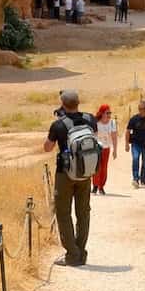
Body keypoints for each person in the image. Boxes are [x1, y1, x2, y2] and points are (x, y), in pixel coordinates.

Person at [42, 89, 98, 267]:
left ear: (63, 104)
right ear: (78, 102)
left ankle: (72, 254)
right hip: (85, 172)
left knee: (63, 213)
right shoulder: (90, 119)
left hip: (64, 174)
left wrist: (59, 123)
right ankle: (81, 252)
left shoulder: (58, 125)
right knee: (83, 213)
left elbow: (47, 148)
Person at [93, 103, 117, 194]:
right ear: (102, 113)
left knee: (104, 168)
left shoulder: (112, 123)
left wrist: (115, 150)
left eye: (110, 113)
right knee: (96, 167)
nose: (109, 115)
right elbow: (92, 134)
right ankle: (95, 185)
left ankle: (101, 186)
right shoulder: (96, 122)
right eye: (107, 113)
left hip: (106, 147)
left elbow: (114, 136)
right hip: (96, 148)